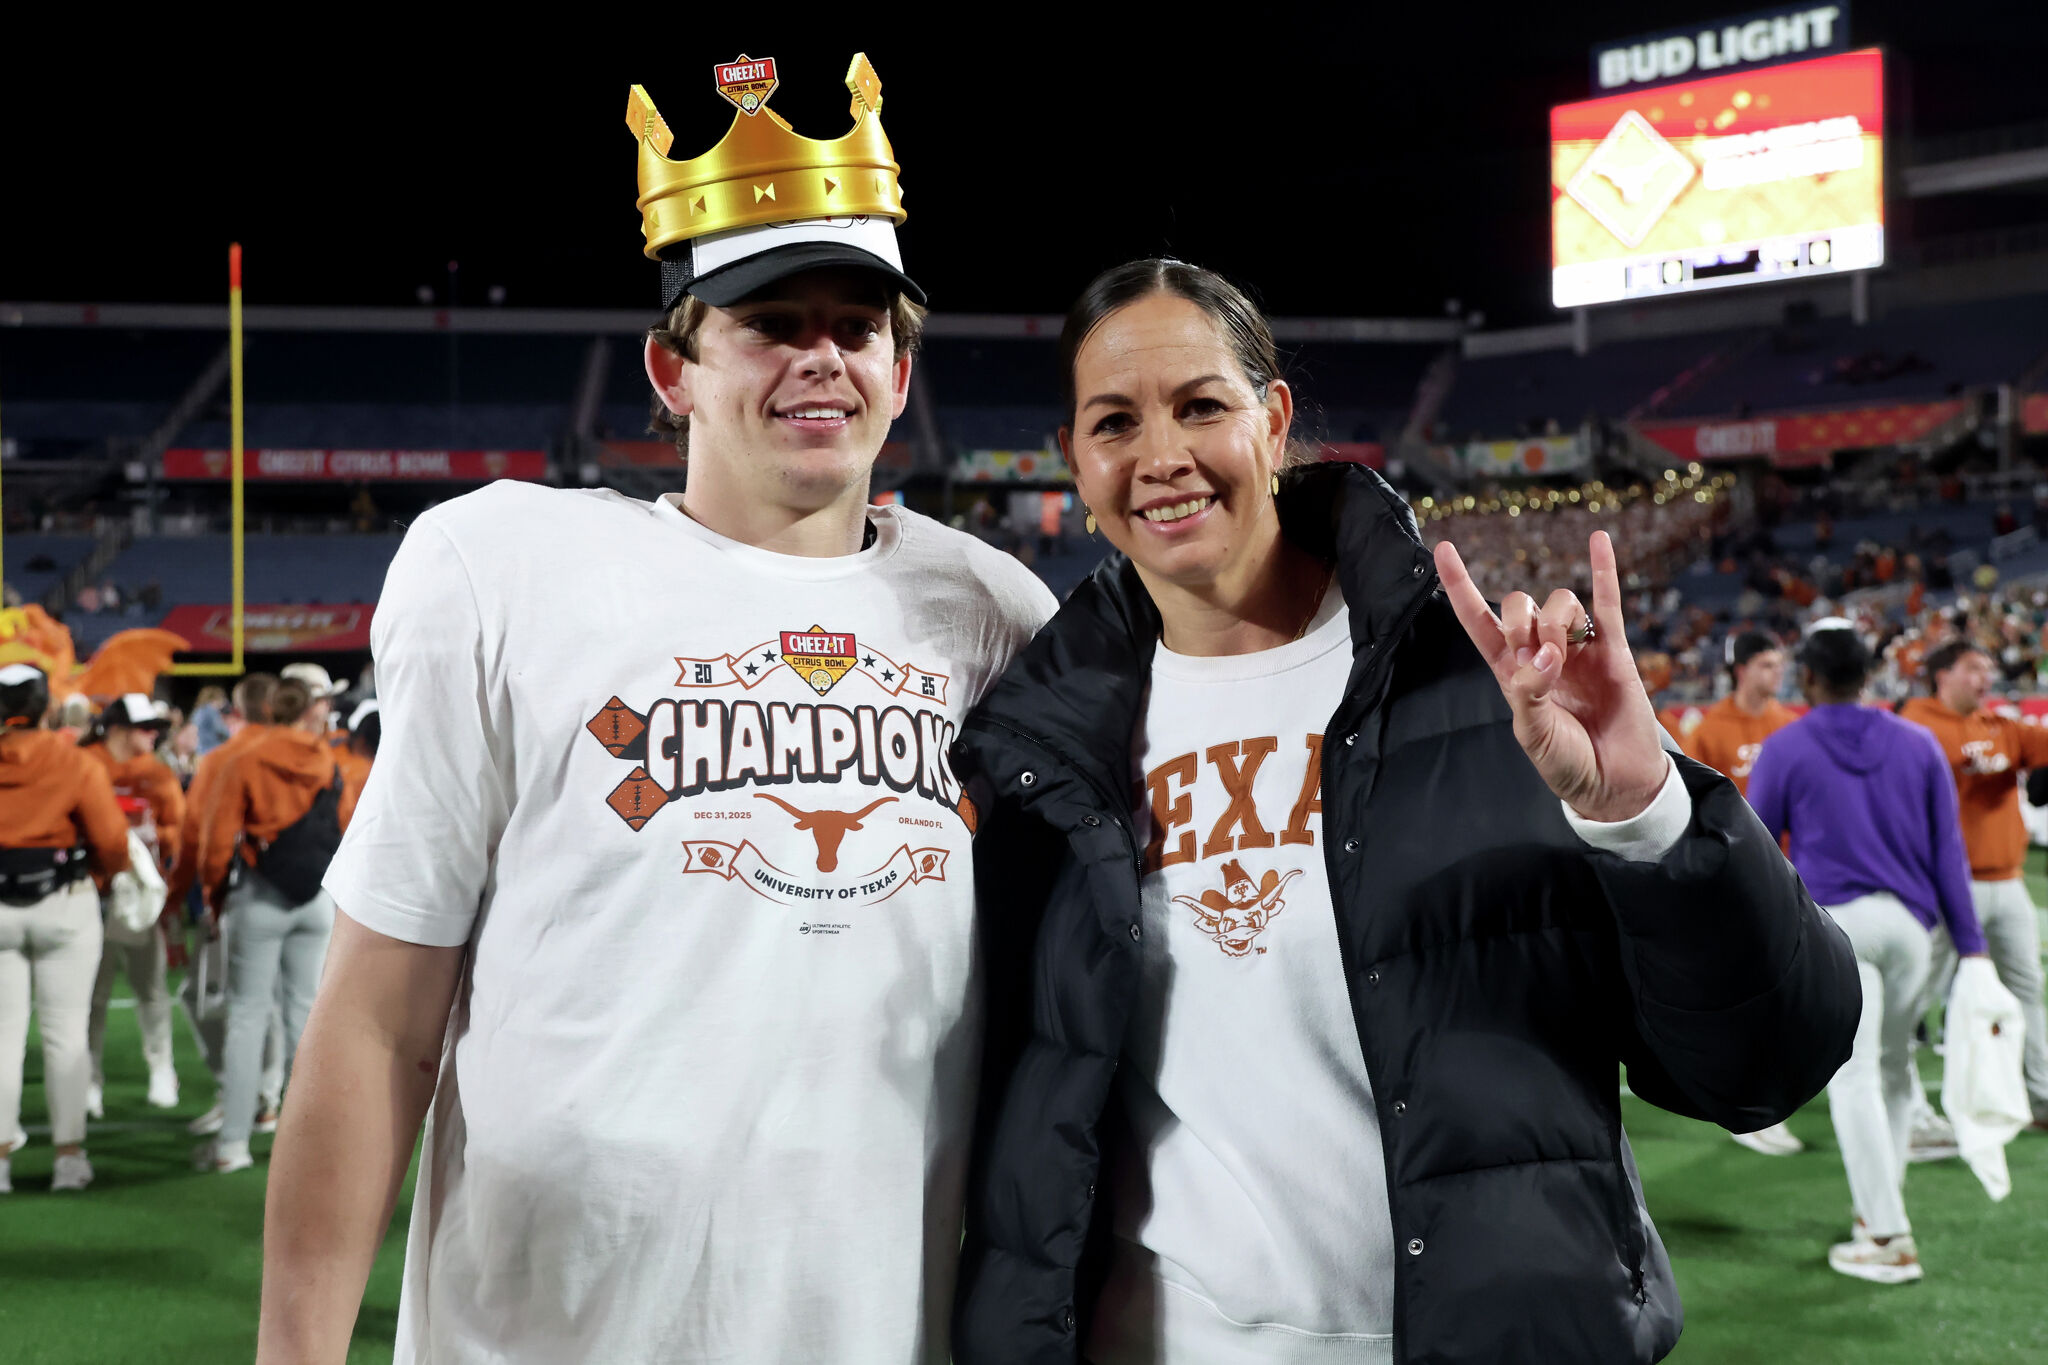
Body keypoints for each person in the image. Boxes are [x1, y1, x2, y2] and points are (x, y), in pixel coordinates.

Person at [260, 55, 1056, 1365]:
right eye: (768, 322)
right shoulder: (505, 566)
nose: (820, 358)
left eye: (857, 327)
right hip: (538, 1333)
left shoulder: (992, 611)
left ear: (903, 373)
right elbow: (376, 1016)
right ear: (670, 370)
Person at [950, 260, 1859, 1364]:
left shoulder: (1488, 679)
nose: (1161, 458)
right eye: (1114, 422)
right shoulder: (1033, 746)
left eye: (1201, 406)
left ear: (1273, 421)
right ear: (1072, 465)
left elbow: (1762, 1067)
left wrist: (1644, 818)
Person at [1747, 622, 1988, 1284]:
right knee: (1895, 1070)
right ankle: (1876, 1214)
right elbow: (1948, 852)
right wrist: (1973, 947)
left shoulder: (1785, 746)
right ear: (1871, 675)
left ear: (1809, 678)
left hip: (1836, 926)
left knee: (1853, 1079)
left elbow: (1754, 851)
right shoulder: (1918, 742)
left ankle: (1887, 1233)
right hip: (1914, 930)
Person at [190, 678, 353, 1174]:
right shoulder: (328, 761)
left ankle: (233, 1144)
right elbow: (343, 827)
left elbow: (217, 843)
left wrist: (215, 900)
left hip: (260, 898)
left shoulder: (244, 757)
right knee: (305, 1017)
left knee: (246, 1018)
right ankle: (306, 1144)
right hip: (316, 898)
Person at [1899, 640, 2048, 1131]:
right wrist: (1973, 769)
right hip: (1944, 885)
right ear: (1943, 674)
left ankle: (2040, 1098)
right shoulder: (1915, 723)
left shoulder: (2000, 725)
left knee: (2026, 990)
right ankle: (1900, 1100)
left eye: (1988, 669)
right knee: (1916, 998)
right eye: (1973, 669)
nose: (1985, 678)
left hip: (2008, 881)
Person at [0, 665, 131, 1193]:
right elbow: (113, 842)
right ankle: (69, 1158)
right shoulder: (74, 762)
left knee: (2, 1042)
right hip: (64, 903)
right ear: (46, 707)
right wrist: (95, 879)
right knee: (66, 1034)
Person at [1680, 630, 1805, 1157]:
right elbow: (1689, 803)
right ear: (1741, 669)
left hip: (1788, 876)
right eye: (1766, 664)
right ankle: (1744, 1106)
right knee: (1741, 995)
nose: (1777, 673)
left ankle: (1765, 1095)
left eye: (1779, 664)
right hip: (1732, 879)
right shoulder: (1711, 730)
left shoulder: (1790, 724)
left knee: (1783, 992)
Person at [164, 673, 286, 1139]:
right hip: (313, 899)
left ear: (235, 713)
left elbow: (199, 839)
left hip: (247, 896)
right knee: (278, 1004)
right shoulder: (320, 756)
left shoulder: (226, 759)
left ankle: (247, 1100)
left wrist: (191, 900)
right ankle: (269, 1100)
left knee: (221, 1001)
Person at [80, 692, 185, 1113]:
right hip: (91, 896)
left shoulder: (158, 774)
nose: (154, 735)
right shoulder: (85, 764)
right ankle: (89, 1079)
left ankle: (162, 1068)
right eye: (146, 728)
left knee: (152, 989)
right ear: (119, 729)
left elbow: (177, 828)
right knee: (94, 994)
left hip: (141, 897)